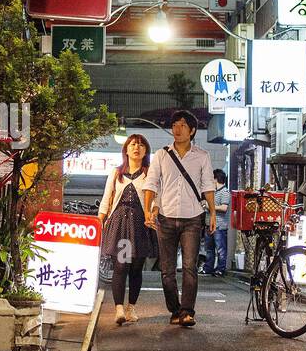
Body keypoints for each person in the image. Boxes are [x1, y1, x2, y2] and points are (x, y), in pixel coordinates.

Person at [141, 110, 217, 327]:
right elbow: (152, 183)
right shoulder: (162, 155)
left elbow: (208, 186)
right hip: (165, 217)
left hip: (193, 218)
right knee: (167, 271)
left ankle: (187, 311)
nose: (177, 129)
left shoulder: (202, 156)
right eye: (175, 125)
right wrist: (148, 209)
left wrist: (212, 213)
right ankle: (175, 309)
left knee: (190, 267)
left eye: (183, 125)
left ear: (192, 130)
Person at [98, 134, 159, 325]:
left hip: (140, 225)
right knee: (121, 266)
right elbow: (107, 197)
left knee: (136, 269)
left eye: (141, 145)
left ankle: (131, 307)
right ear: (126, 149)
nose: (136, 148)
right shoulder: (117, 173)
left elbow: (156, 199)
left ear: (146, 151)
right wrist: (100, 220)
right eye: (133, 144)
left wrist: (153, 214)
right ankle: (118, 309)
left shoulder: (150, 173)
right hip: (121, 225)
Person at [201, 170, 230, 277]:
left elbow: (224, 207)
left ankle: (220, 269)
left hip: (219, 226)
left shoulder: (225, 192)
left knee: (221, 249)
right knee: (209, 249)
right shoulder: (213, 192)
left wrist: (210, 206)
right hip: (209, 224)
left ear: (216, 179)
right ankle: (208, 268)